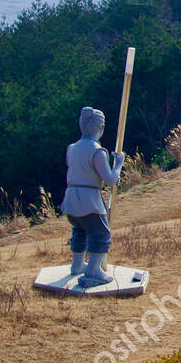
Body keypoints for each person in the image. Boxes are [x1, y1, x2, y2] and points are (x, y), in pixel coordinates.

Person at [61, 106, 125, 287]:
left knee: (80, 229)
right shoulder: (97, 151)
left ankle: (77, 264)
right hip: (89, 199)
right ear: (101, 129)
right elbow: (111, 179)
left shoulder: (71, 148)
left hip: (71, 197)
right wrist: (118, 163)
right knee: (100, 233)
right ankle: (94, 270)